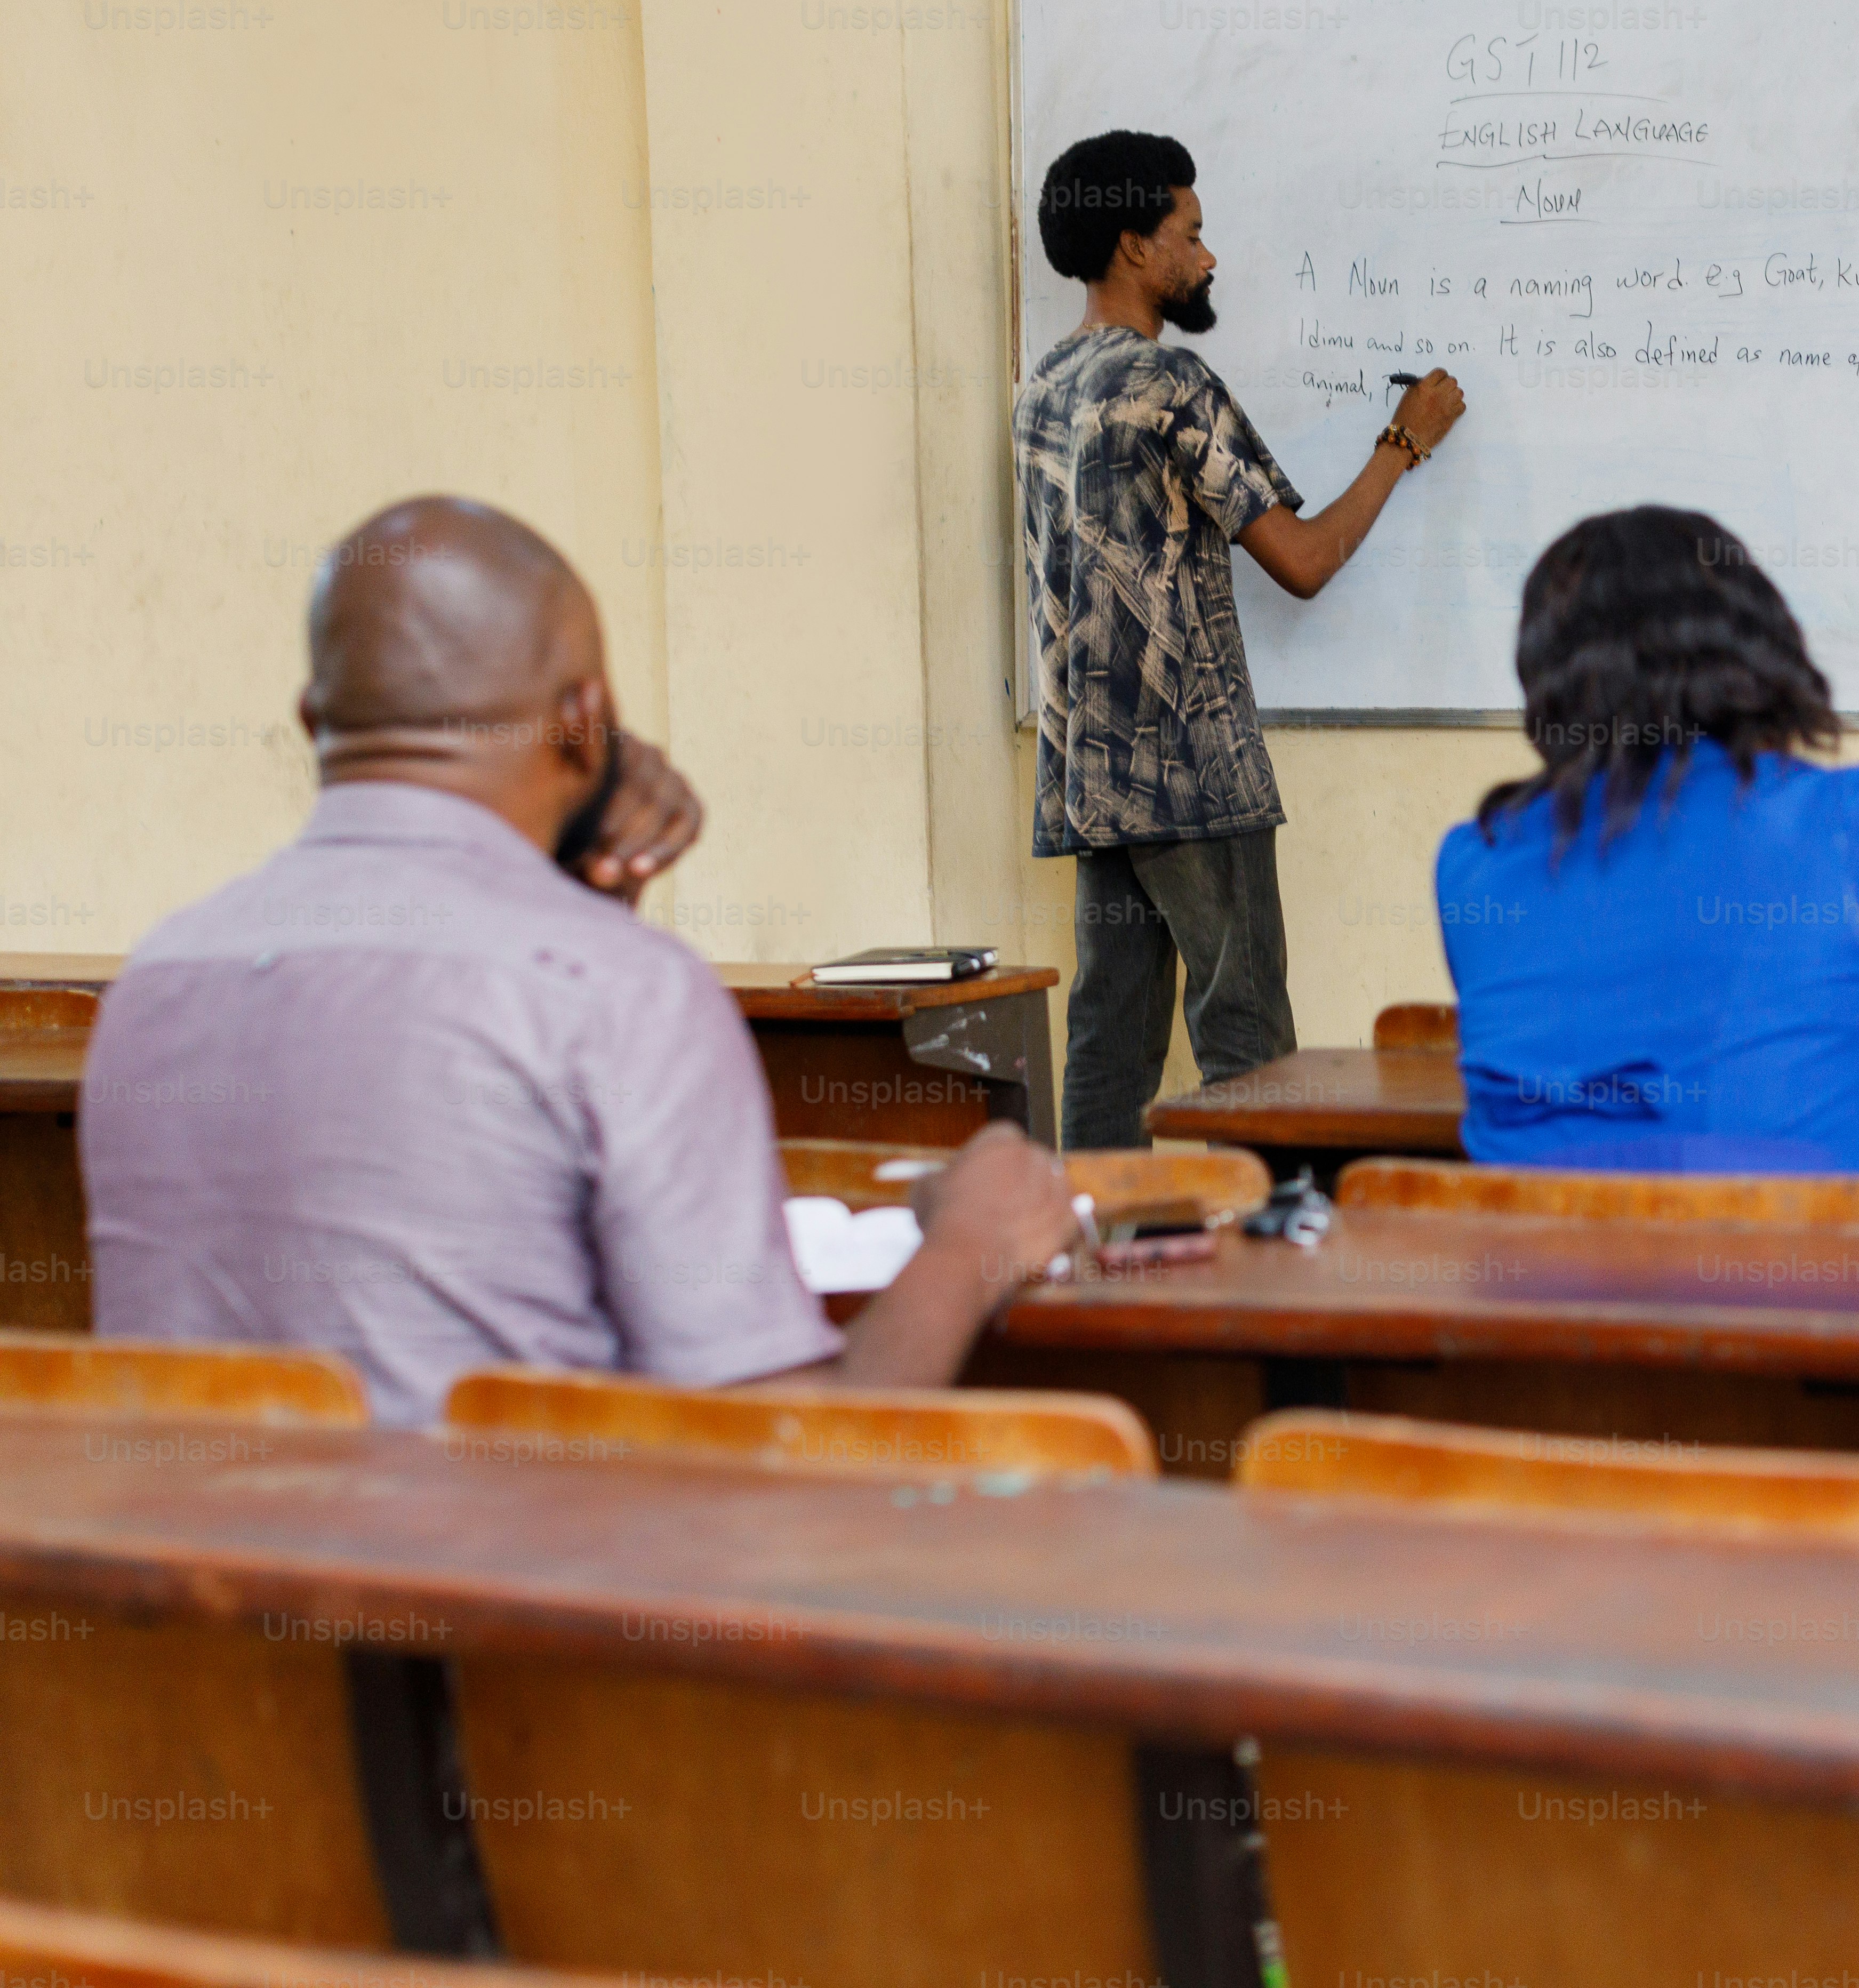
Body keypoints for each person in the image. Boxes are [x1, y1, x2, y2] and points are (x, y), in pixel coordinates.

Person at [80, 497, 1082, 1426]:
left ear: (312, 722)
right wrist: (970, 1246)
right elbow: (784, 1459)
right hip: (509, 1608)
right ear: (584, 716)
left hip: (200, 1607)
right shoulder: (618, 994)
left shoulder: (156, 982)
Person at [1433, 507, 1859, 1232]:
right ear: (1764, 652)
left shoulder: (1476, 868)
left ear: (1546, 684)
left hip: (1539, 1337)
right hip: (1849, 1332)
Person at [1018, 130, 1471, 1146]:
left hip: (1094, 778)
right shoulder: (1173, 386)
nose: (1209, 257)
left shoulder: (1041, 391)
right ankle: (1278, 1279)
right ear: (1137, 245)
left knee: (1109, 1039)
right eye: (1192, 232)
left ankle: (1095, 1270)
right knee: (1250, 1044)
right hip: (1192, 768)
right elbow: (1304, 562)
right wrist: (1405, 442)